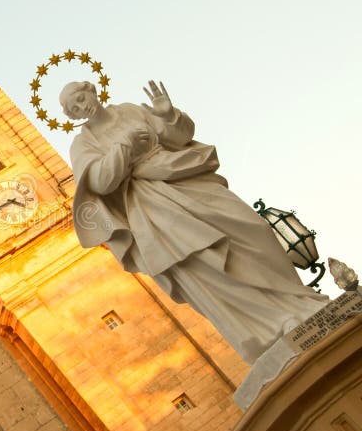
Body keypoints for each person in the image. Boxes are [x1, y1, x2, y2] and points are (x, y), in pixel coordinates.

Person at [61, 80, 328, 363]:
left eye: (80, 97)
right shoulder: (83, 143)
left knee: (253, 228)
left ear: (91, 90)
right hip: (153, 203)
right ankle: (272, 325)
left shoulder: (129, 110)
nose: (82, 106)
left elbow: (178, 137)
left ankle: (298, 300)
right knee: (206, 262)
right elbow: (101, 182)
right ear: (73, 117)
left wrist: (168, 115)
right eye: (74, 107)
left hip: (183, 175)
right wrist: (124, 147)